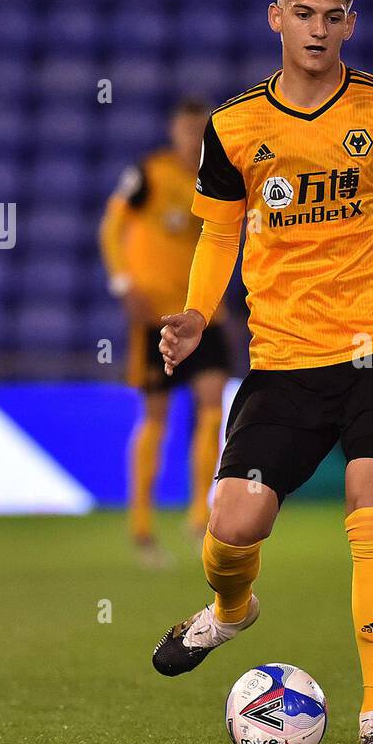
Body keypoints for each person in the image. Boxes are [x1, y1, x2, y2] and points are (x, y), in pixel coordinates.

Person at [152, 0, 373, 744]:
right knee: (231, 527)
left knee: (372, 502)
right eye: (303, 12)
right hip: (287, 356)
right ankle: (232, 612)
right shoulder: (235, 128)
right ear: (277, 18)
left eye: (333, 15)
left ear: (350, 23)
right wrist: (197, 314)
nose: (318, 29)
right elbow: (220, 230)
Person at [99, 98, 231, 566]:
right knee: (156, 415)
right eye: (188, 130)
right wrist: (123, 282)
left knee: (213, 404)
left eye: (202, 132)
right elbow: (111, 226)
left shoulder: (217, 178)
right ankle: (141, 528)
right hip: (155, 315)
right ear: (174, 131)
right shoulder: (149, 174)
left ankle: (201, 515)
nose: (194, 140)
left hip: (202, 314)